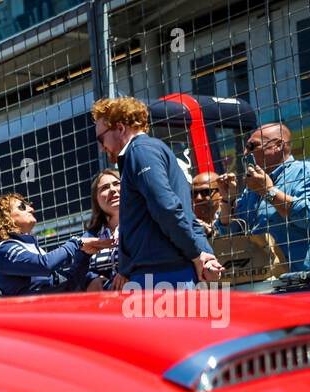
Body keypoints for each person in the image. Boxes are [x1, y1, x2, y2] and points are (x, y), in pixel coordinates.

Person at [91, 96, 222, 288]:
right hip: (164, 274)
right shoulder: (148, 151)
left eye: (101, 139)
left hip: (161, 277)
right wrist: (202, 254)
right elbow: (181, 212)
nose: (102, 148)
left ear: (119, 128)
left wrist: (198, 254)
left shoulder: (141, 151)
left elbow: (166, 207)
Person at [225, 122, 310, 272]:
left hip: (302, 280)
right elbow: (235, 232)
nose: (245, 152)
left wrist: (268, 191)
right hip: (263, 279)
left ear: (278, 145)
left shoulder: (308, 171)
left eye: (252, 146)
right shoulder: (253, 185)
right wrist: (227, 199)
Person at [0, 194, 111, 295]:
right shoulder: (4, 249)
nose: (31, 208)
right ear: (5, 217)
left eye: (28, 204)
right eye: (22, 206)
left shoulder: (32, 248)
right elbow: (45, 264)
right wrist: (77, 243)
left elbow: (70, 286)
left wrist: (84, 254)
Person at [82, 169, 122, 289]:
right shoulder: (90, 236)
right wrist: (91, 279)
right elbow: (79, 271)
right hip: (105, 303)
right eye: (105, 188)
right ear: (96, 201)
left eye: (117, 184)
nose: (113, 190)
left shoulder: (143, 226)